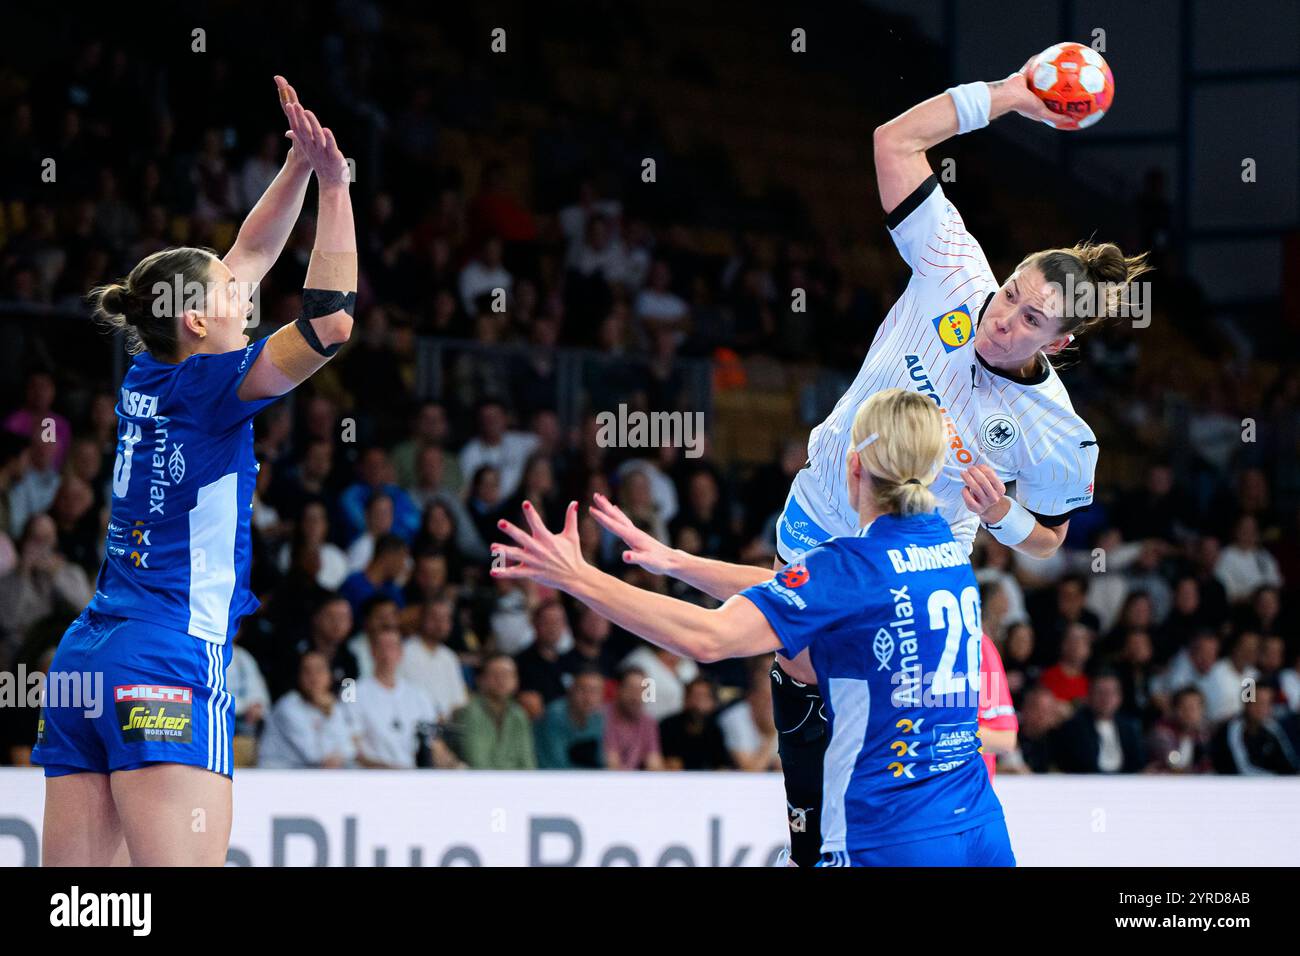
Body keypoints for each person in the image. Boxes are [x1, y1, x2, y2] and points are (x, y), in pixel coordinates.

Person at [592, 58, 1147, 864]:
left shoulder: (1058, 432)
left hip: (913, 569)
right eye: (1008, 297)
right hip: (816, 523)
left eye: (1029, 321)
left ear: (1058, 343)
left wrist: (1006, 517)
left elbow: (1050, 542)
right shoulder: (956, 274)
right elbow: (894, 142)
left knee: (849, 750)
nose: (1002, 320)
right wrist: (1014, 97)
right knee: (801, 705)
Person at [31, 77, 356, 865]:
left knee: (77, 917)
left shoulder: (150, 371)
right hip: (169, 657)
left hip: (86, 660)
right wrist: (339, 187)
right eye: (228, 295)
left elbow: (248, 252)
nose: (245, 296)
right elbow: (331, 323)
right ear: (195, 318)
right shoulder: (215, 387)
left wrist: (299, 168)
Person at [494, 389, 1013, 866]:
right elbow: (791, 590)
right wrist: (676, 562)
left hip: (892, 833)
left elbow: (709, 637)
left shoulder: (850, 566)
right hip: (977, 820)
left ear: (853, 465)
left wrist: (578, 577)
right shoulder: (946, 550)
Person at [257, 651, 357, 770]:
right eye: (307, 672)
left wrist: (329, 713)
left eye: (319, 670)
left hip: (308, 775)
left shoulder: (334, 706)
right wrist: (328, 716)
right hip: (274, 776)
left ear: (330, 676)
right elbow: (314, 755)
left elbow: (350, 750)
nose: (314, 677)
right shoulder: (288, 706)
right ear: (299, 677)